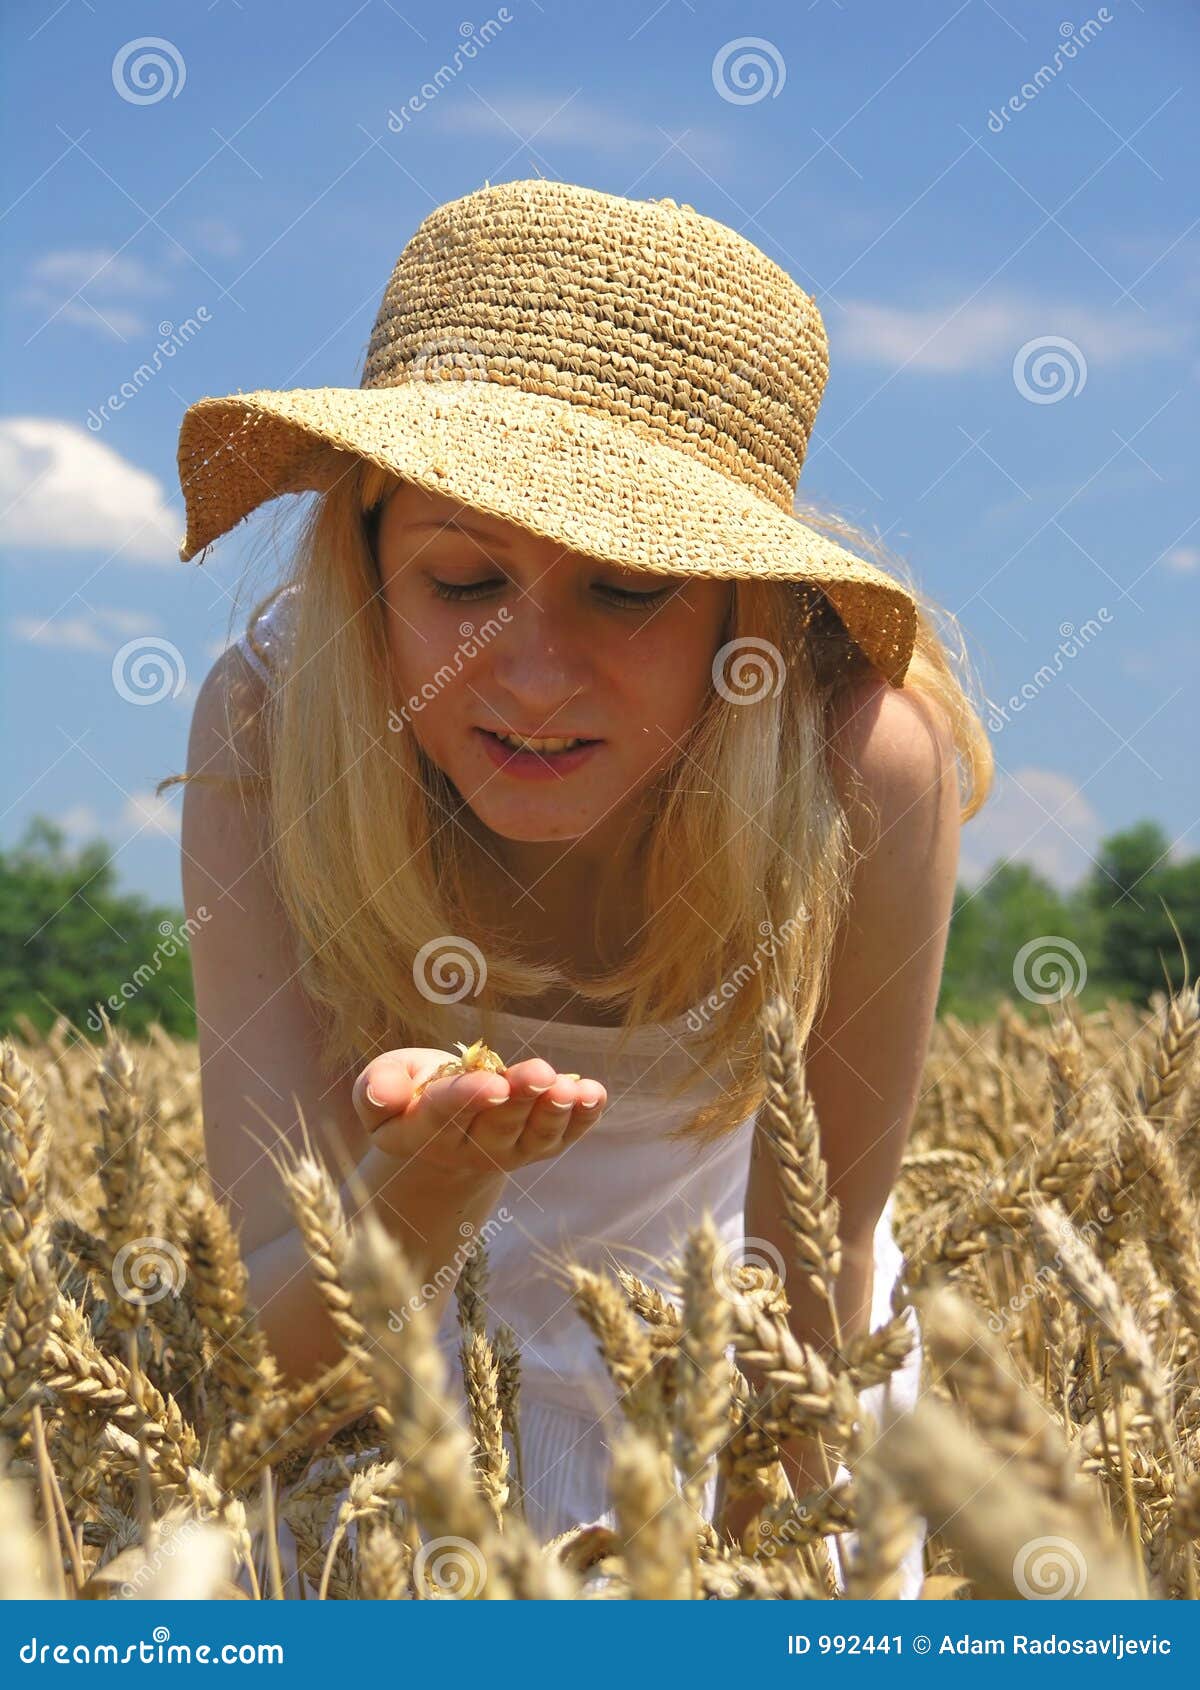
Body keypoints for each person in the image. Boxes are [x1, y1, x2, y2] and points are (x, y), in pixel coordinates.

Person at [166, 178, 992, 1596]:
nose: (535, 676)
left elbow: (821, 1266)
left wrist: (757, 1581)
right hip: (399, 1420)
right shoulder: (270, 724)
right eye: (464, 579)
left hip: (734, 1395)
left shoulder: (867, 762)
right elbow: (278, 1351)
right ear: (364, 559)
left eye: (624, 590)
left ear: (750, 603)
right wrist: (417, 1190)